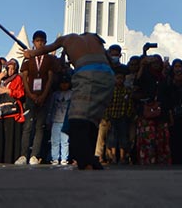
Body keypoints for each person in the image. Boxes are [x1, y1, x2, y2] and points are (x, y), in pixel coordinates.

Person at [23, 32, 115, 170]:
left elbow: (46, 49)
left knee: (77, 119)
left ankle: (86, 162)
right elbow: (110, 60)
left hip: (87, 73)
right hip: (108, 75)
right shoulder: (94, 38)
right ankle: (90, 158)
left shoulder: (65, 39)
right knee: (92, 119)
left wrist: (31, 53)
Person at [18, 29, 55, 164]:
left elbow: (50, 78)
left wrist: (44, 95)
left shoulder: (50, 59)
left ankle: (35, 155)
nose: (40, 43)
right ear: (33, 42)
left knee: (40, 126)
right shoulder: (28, 58)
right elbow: (24, 77)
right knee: (28, 126)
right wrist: (30, 94)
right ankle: (23, 155)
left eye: (42, 41)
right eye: (37, 41)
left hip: (44, 96)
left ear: (46, 42)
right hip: (31, 95)